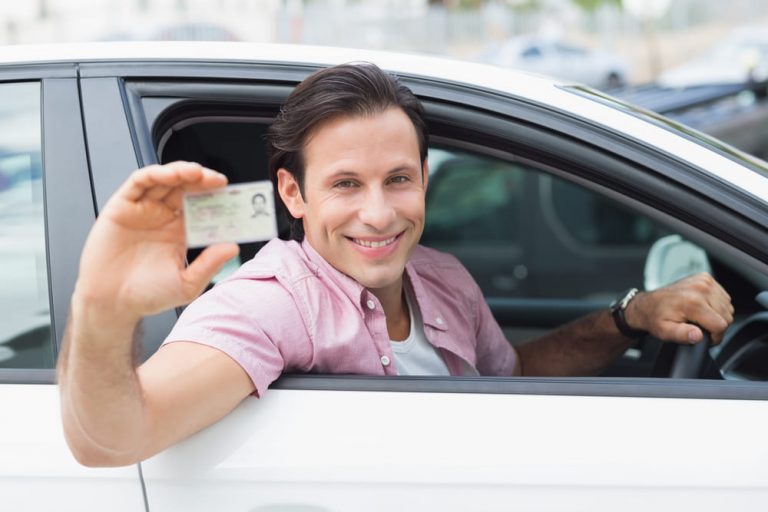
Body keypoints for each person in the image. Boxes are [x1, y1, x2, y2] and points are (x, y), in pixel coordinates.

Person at [57, 63, 734, 467]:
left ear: (425, 180)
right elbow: (112, 440)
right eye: (346, 184)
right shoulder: (271, 302)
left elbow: (510, 375)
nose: (379, 215)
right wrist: (101, 308)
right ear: (293, 193)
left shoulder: (440, 276)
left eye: (398, 180)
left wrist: (631, 317)